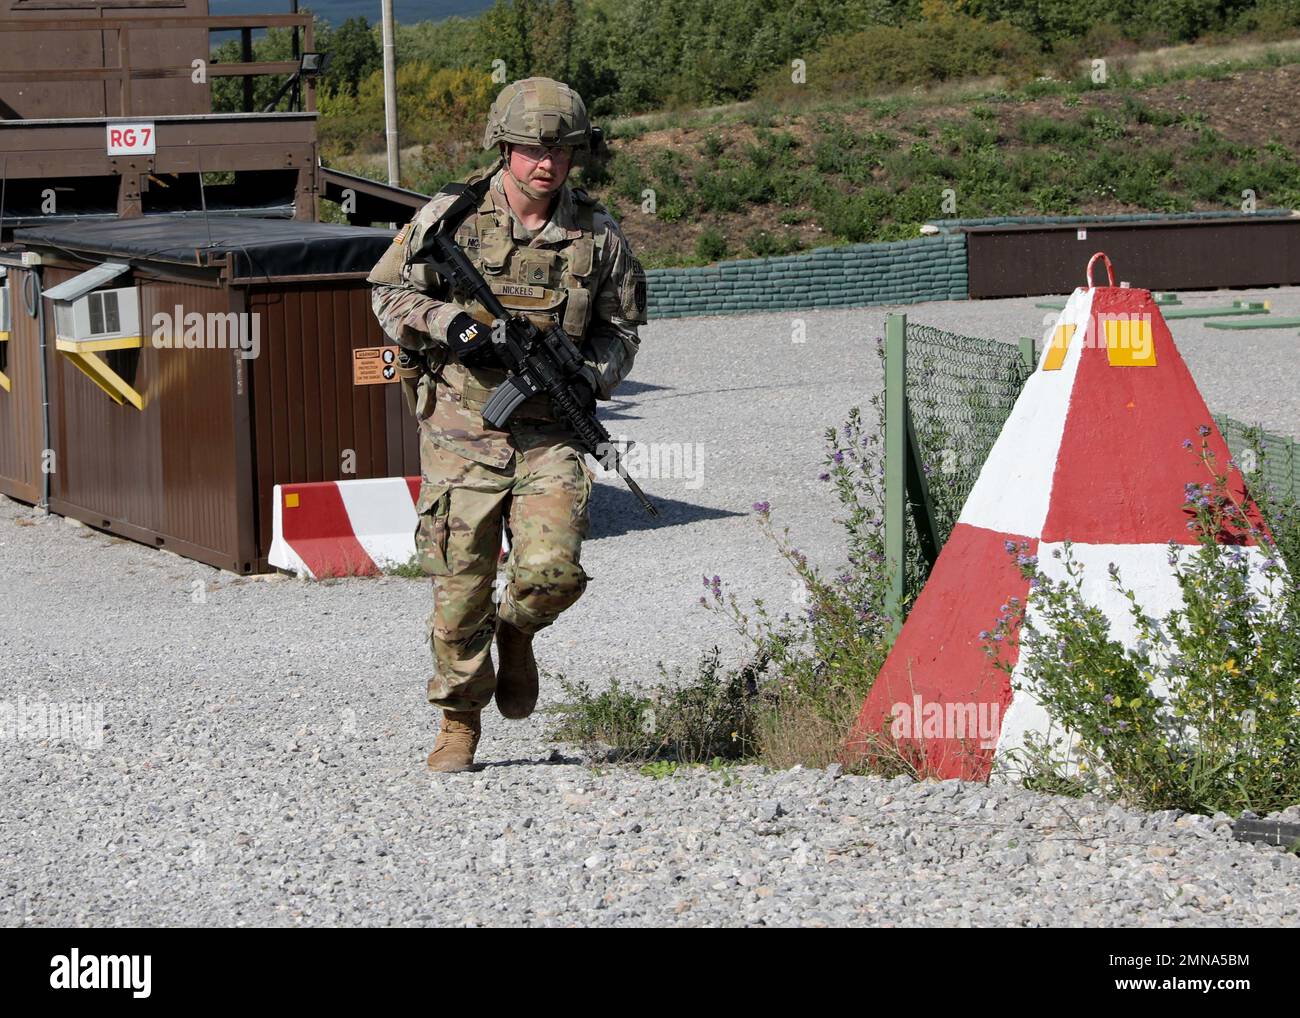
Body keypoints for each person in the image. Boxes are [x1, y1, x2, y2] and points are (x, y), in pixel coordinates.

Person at [368, 76, 647, 772]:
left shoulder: (597, 233)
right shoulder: (452, 217)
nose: (545, 163)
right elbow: (385, 291)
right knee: (459, 585)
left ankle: (518, 631)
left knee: (555, 568)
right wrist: (447, 321)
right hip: (462, 431)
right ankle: (459, 721)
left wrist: (591, 374)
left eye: (560, 151)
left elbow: (622, 331)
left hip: (550, 430)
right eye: (530, 148)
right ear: (504, 146)